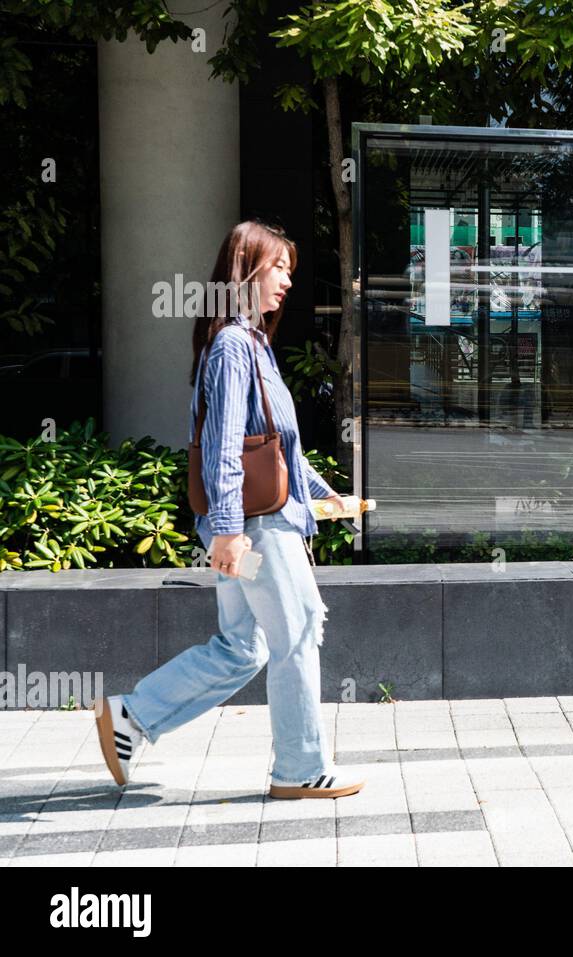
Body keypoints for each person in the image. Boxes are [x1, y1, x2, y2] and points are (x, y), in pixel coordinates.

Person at [92, 220, 366, 798]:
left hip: (255, 522)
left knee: (245, 645)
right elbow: (221, 446)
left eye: (291, 269)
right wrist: (228, 530)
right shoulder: (234, 345)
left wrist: (325, 495)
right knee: (294, 634)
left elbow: (273, 445)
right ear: (246, 269)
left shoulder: (251, 344)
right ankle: (300, 768)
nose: (289, 280)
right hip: (256, 528)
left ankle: (134, 716)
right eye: (279, 268)